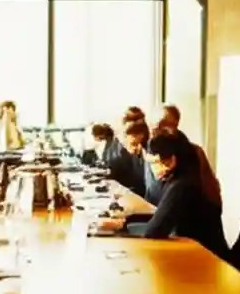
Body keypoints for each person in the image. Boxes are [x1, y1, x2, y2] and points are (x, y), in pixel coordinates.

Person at [97, 131, 226, 259]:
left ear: (171, 161)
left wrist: (124, 229)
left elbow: (154, 231)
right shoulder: (192, 177)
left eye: (153, 162)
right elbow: (161, 217)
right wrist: (123, 222)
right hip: (204, 254)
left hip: (206, 259)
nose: (151, 168)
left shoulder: (182, 186)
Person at [154, 104, 221, 208]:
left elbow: (211, 191)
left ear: (176, 125)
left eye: (166, 125)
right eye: (157, 126)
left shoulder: (194, 153)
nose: (160, 130)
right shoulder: (150, 152)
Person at [104, 119, 149, 197]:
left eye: (135, 144)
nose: (135, 148)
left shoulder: (149, 158)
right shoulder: (133, 156)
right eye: (132, 144)